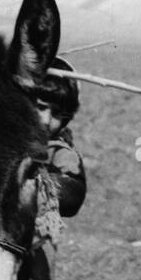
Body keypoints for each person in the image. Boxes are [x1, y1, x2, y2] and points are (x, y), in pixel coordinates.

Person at [29, 60, 87, 218]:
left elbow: (71, 196)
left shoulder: (60, 152)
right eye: (40, 107)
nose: (46, 120)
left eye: (57, 113)